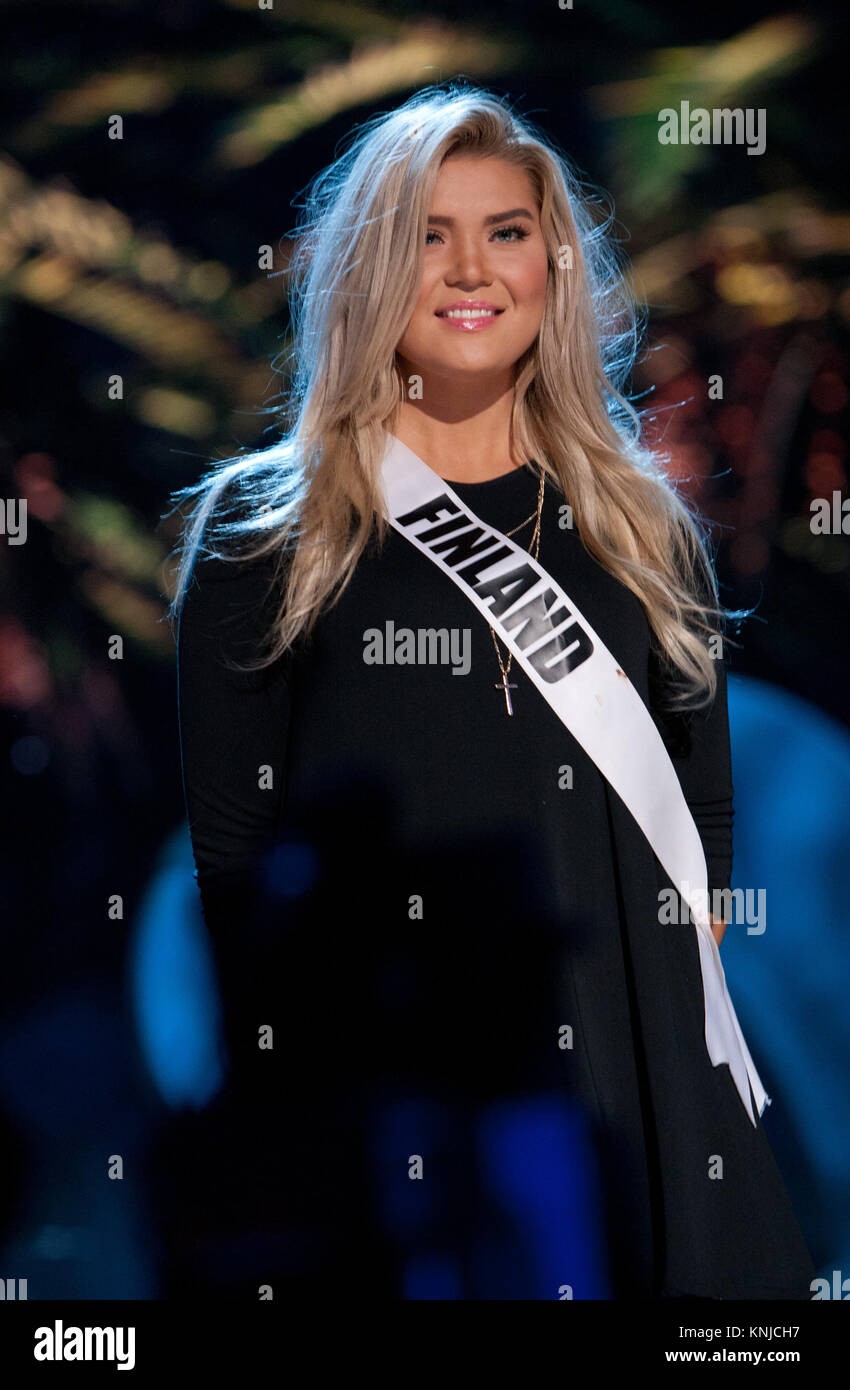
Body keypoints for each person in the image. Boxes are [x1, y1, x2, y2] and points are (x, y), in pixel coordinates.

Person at [168, 84, 815, 1299]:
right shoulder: (271, 530)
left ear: (552, 262)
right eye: (426, 232)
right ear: (368, 264)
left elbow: (701, 816)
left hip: (637, 1072)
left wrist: (654, 1043)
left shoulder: (635, 524)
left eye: (506, 230)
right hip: (403, 1097)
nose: (472, 269)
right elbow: (237, 855)